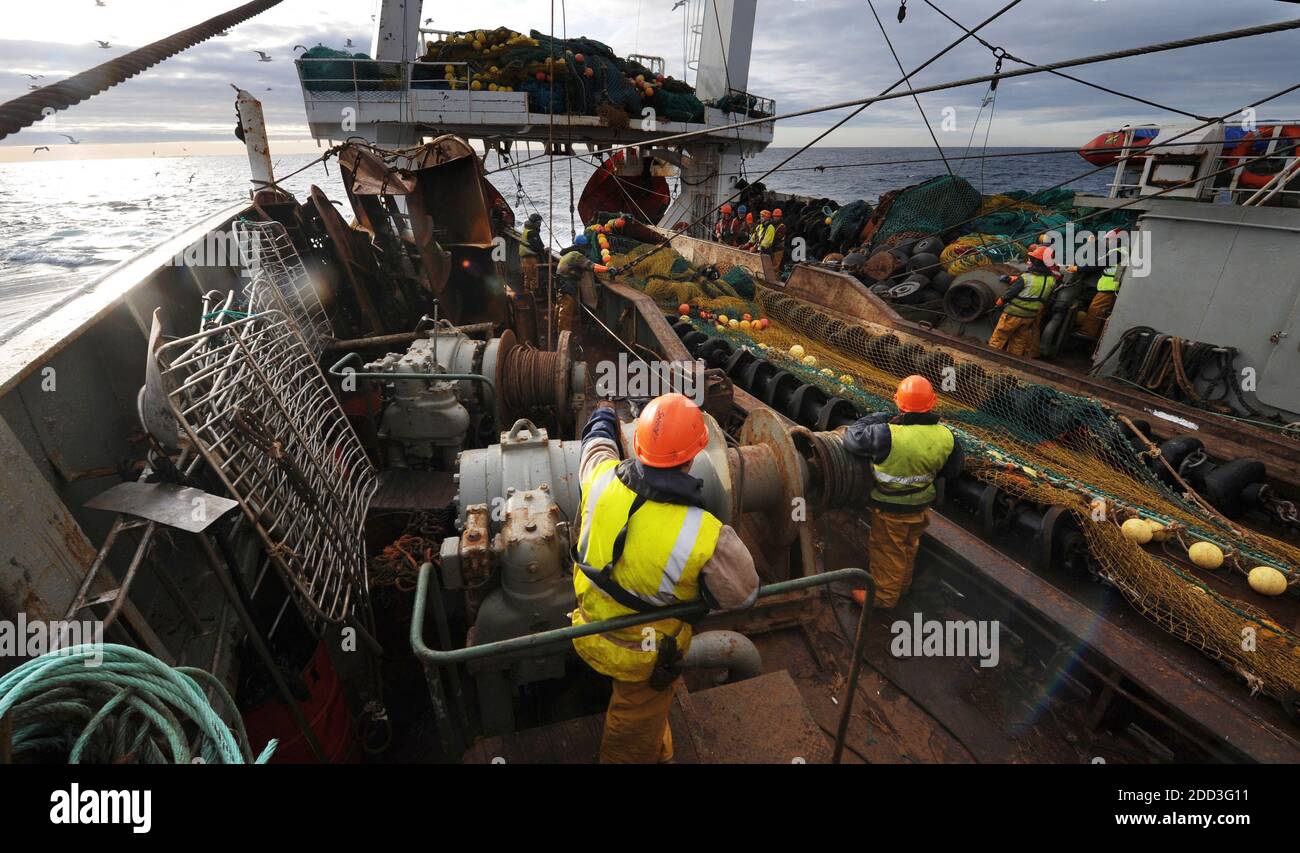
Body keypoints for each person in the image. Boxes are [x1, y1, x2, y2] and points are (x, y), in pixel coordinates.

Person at [572, 394, 759, 763]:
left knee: (645, 721)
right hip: (640, 655)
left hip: (585, 627)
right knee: (632, 730)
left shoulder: (599, 479)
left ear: (636, 445)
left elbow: (595, 446)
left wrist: (604, 415)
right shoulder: (703, 532)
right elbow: (745, 594)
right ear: (692, 459)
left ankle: (657, 746)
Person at [842, 376, 964, 610]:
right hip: (920, 506)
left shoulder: (887, 434)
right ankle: (902, 586)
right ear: (933, 402)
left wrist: (877, 417)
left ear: (898, 402)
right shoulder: (947, 436)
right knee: (908, 546)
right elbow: (954, 469)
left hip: (891, 509)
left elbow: (852, 438)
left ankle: (883, 597)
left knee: (887, 551)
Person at [987, 244, 1060, 357]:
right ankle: (1012, 365)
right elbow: (1039, 289)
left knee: (1000, 336)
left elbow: (1010, 293)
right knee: (1019, 341)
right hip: (1029, 317)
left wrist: (999, 303)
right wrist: (1014, 279)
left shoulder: (1026, 278)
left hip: (1013, 314)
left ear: (1036, 261)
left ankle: (989, 359)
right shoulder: (1051, 280)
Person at [554, 246, 616, 333]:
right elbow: (592, 266)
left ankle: (555, 331)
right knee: (566, 312)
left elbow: (592, 264)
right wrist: (608, 269)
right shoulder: (576, 255)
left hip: (559, 283)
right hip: (567, 285)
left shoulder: (567, 255)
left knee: (559, 307)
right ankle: (563, 337)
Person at [1077, 230, 1126, 339]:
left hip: (1109, 288)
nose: (1107, 242)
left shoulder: (1118, 253)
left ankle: (1087, 333)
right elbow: (1105, 252)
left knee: (1095, 310)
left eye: (1109, 240)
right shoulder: (1120, 251)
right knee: (1101, 312)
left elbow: (1098, 263)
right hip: (1112, 287)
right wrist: (1094, 243)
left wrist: (1077, 268)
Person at [519, 213, 545, 295]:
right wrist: (544, 250)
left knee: (527, 277)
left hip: (524, 258)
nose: (540, 224)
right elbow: (536, 247)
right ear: (535, 223)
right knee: (533, 278)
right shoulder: (532, 233)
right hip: (530, 258)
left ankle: (527, 295)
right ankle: (533, 296)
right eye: (539, 222)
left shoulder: (526, 230)